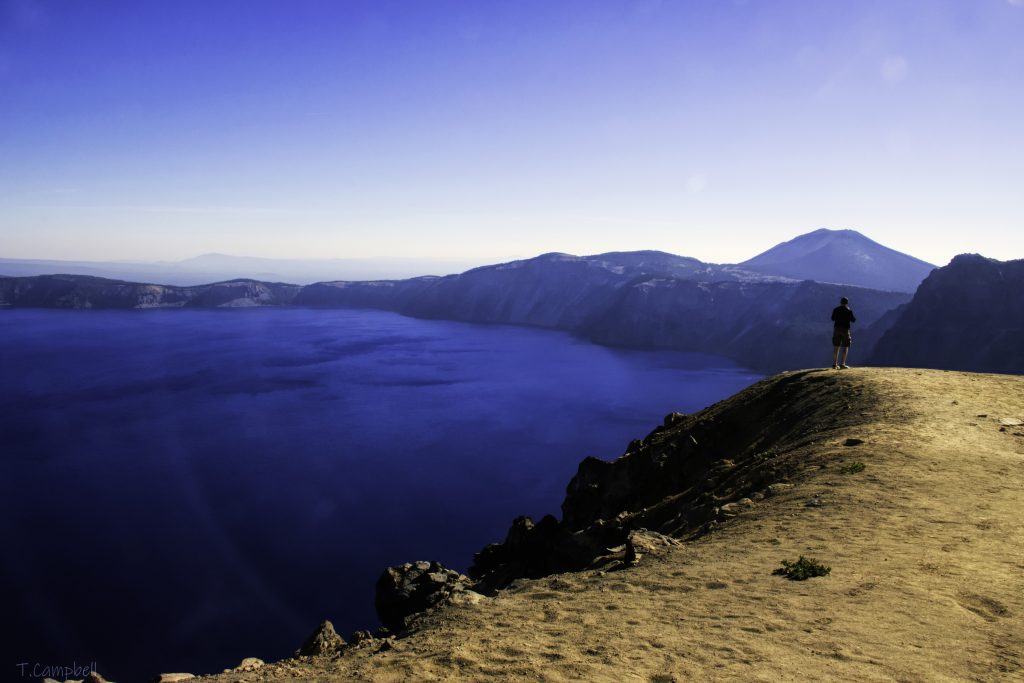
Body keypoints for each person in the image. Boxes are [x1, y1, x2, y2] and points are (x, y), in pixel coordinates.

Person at [830, 297, 856, 369]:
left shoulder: (836, 309)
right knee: (845, 346)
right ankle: (843, 364)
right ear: (847, 303)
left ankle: (834, 364)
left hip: (837, 329)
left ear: (840, 302)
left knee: (836, 346)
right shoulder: (849, 311)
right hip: (845, 329)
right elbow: (853, 320)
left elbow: (832, 318)